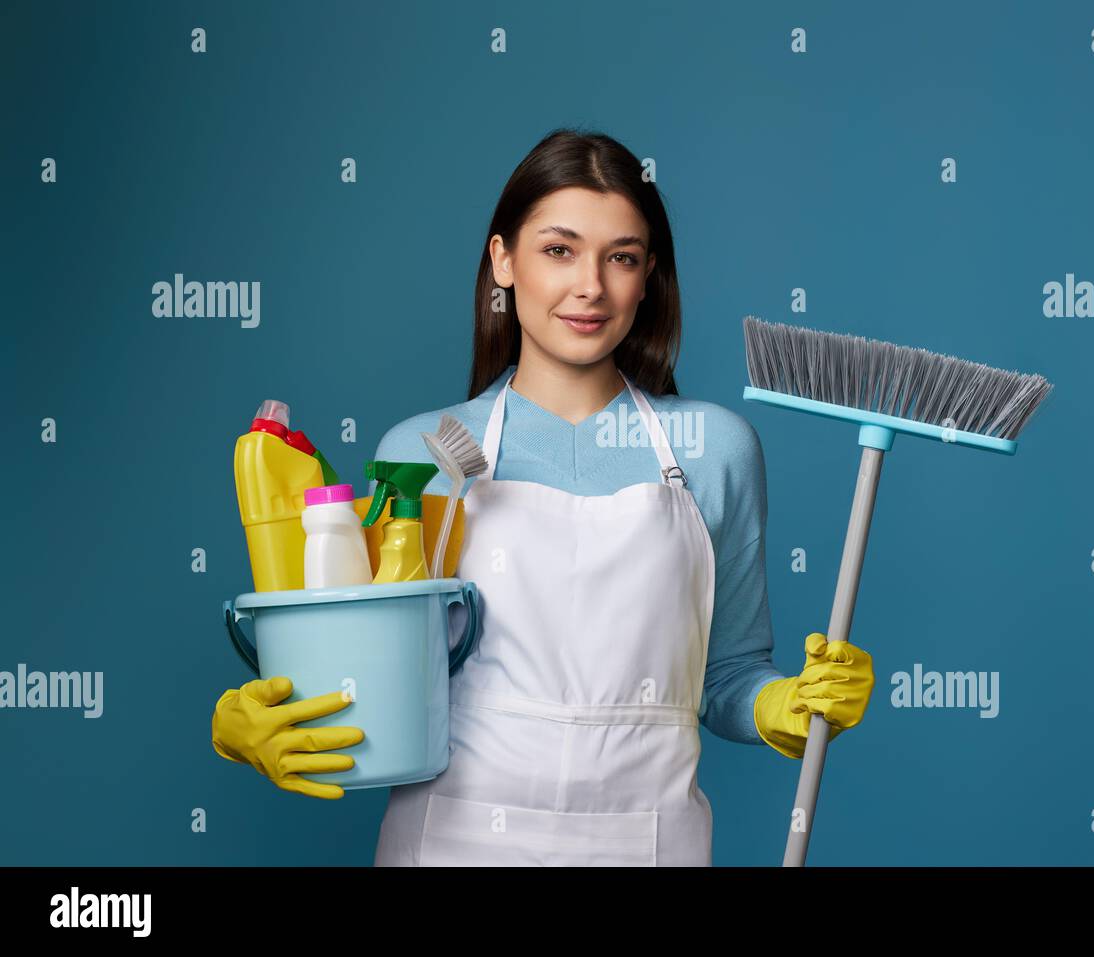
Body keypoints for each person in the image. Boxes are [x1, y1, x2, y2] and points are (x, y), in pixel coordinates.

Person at [211, 128, 874, 866]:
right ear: (503, 260)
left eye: (620, 256)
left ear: (648, 274)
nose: (590, 285)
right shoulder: (418, 455)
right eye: (558, 250)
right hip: (450, 845)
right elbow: (368, 670)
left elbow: (726, 675)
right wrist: (251, 719)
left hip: (648, 844)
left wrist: (785, 703)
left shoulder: (714, 449)